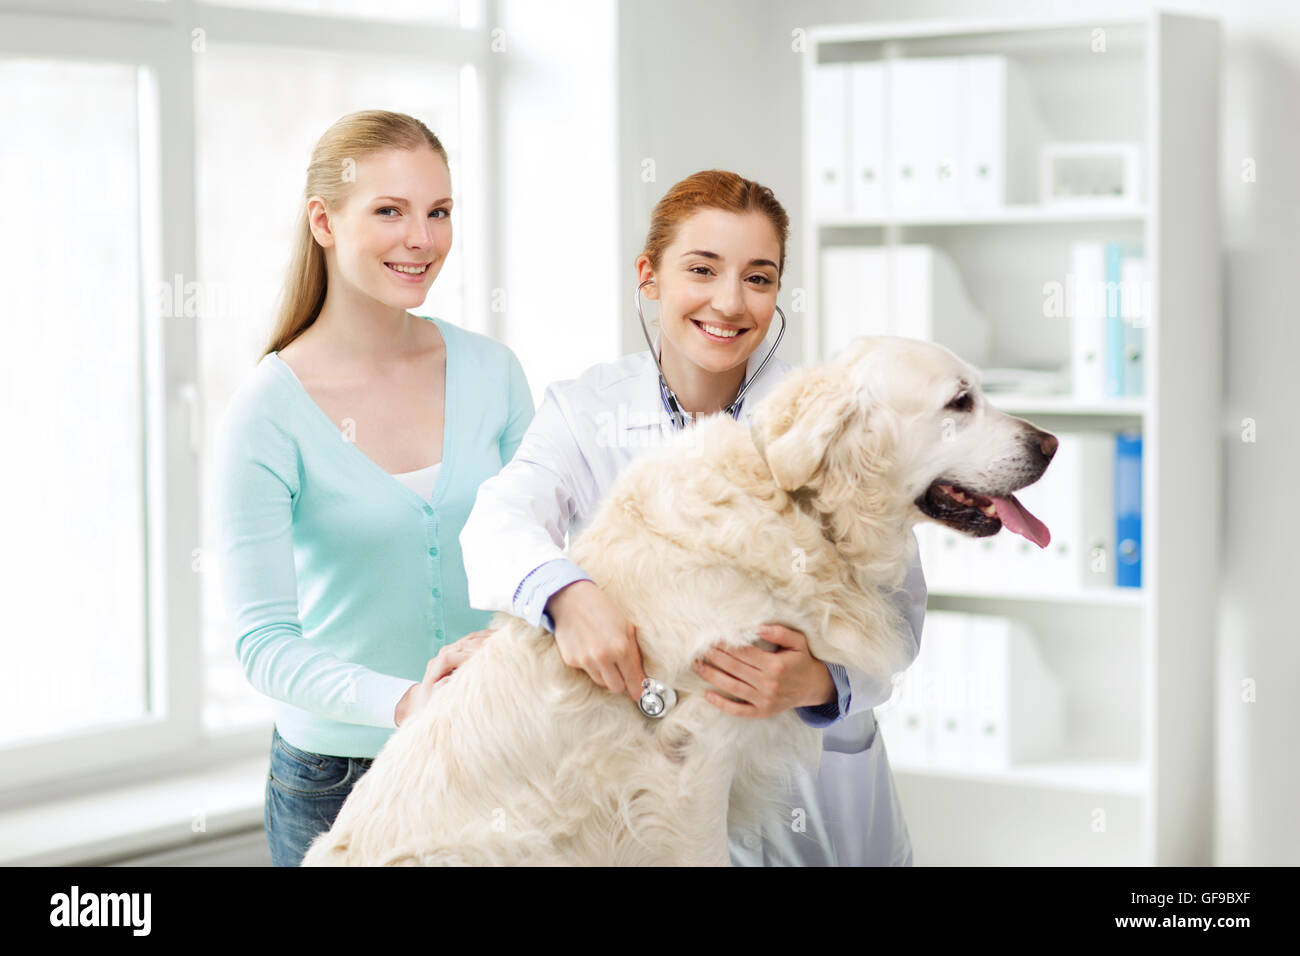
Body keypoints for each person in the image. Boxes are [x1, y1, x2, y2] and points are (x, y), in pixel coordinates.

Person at [459, 168, 928, 866]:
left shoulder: (830, 423)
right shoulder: (586, 411)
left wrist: (824, 684)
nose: (730, 302)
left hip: (806, 781)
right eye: (702, 269)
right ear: (649, 277)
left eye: (759, 278)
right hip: (650, 778)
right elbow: (497, 520)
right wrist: (566, 594)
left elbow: (898, 613)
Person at [213, 110, 533, 867]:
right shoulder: (267, 410)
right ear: (323, 221)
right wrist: (405, 703)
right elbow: (263, 645)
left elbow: (544, 554)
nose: (421, 239)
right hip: (337, 784)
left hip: (492, 755)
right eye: (389, 211)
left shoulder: (493, 372)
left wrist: (504, 654)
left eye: (439, 211)